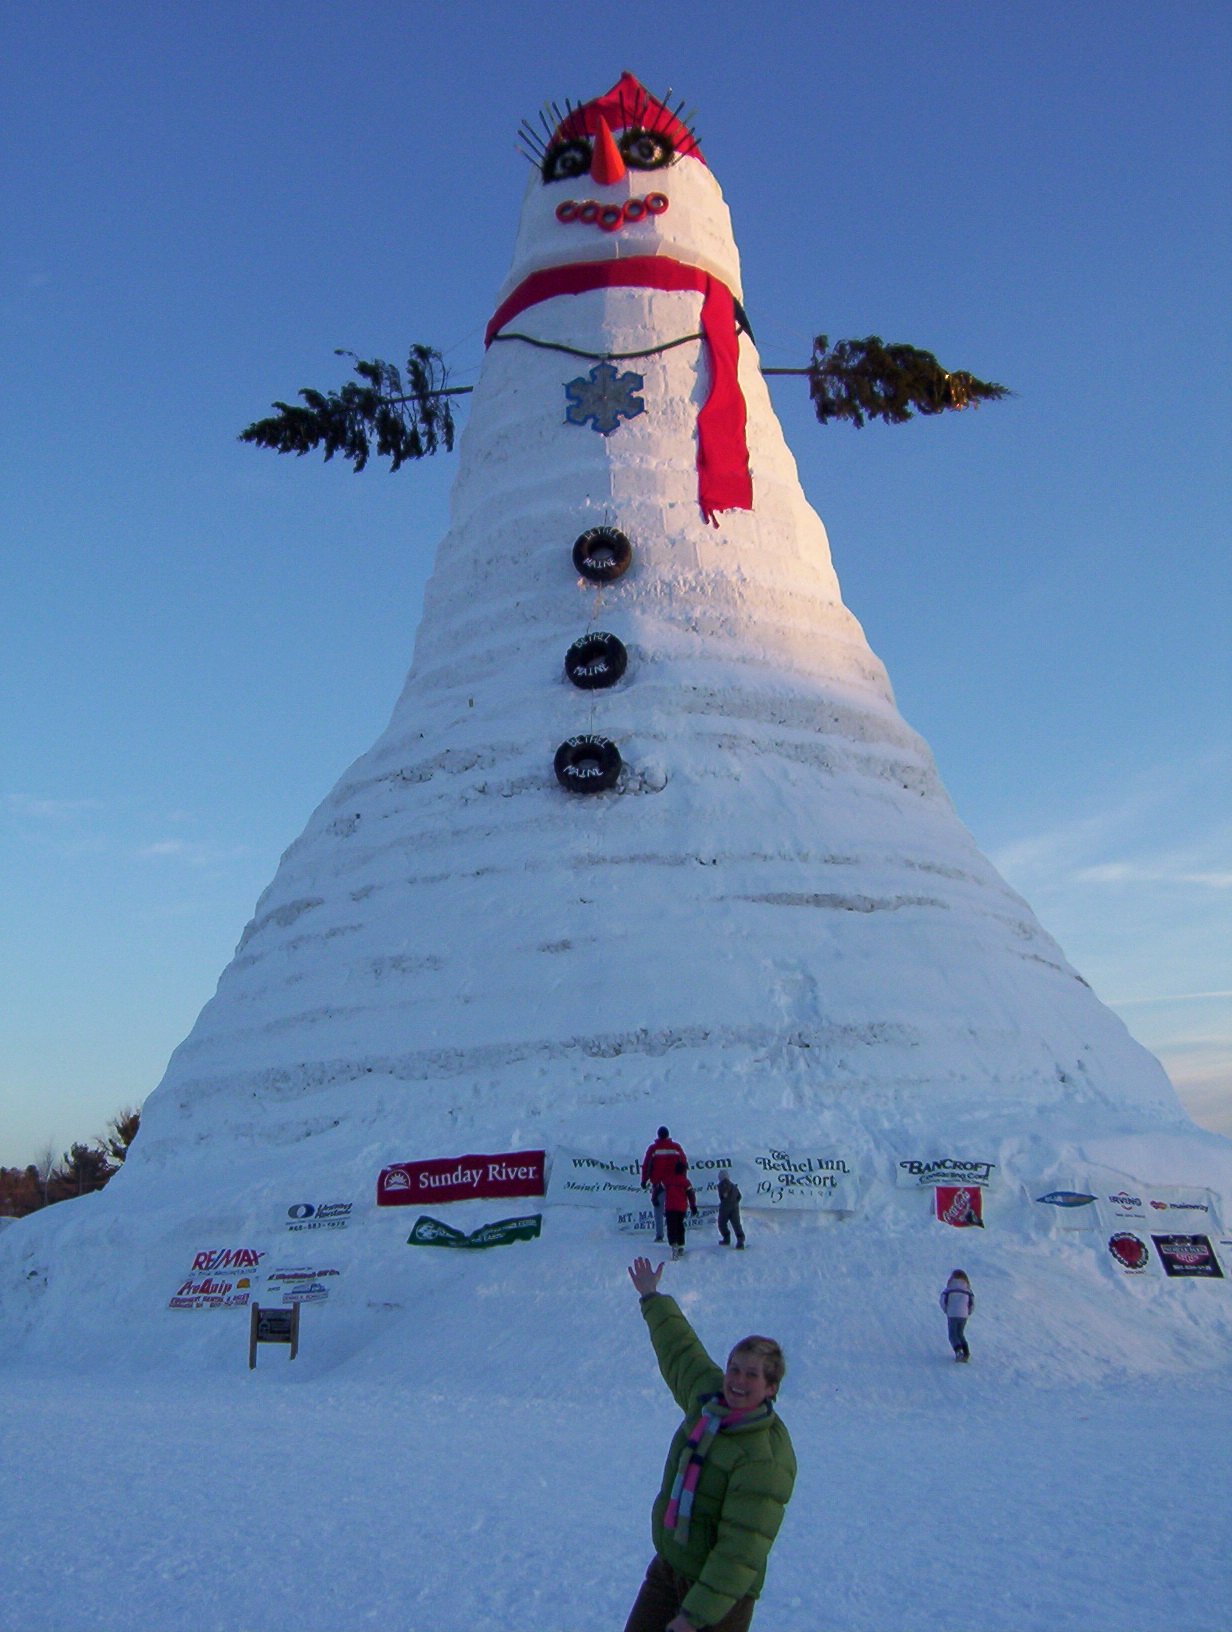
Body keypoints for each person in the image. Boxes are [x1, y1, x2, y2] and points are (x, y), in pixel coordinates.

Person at [624, 1255, 796, 1632]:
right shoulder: (708, 1401)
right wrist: (652, 1297)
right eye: (734, 1368)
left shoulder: (763, 1458)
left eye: (752, 1375)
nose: (737, 1380)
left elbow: (741, 1550)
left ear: (770, 1388)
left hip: (721, 1595)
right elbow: (681, 1352)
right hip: (670, 1567)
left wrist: (693, 1617)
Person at [642, 1126, 687, 1245]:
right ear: (668, 1135)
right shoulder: (676, 1148)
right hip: (675, 1184)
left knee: (658, 1209)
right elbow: (684, 1163)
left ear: (658, 1135)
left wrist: (644, 1179)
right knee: (674, 1209)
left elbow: (646, 1165)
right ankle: (677, 1236)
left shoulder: (653, 1149)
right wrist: (683, 1180)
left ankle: (660, 1235)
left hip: (658, 1184)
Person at [663, 1161, 698, 1260]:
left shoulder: (668, 1180)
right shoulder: (685, 1181)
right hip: (681, 1208)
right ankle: (681, 1245)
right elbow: (691, 1194)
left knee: (671, 1226)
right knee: (680, 1225)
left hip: (670, 1207)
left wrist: (655, 1198)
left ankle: (673, 1244)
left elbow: (659, 1188)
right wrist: (693, 1206)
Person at [939, 1269, 974, 1361]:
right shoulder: (968, 1290)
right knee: (960, 1333)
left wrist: (946, 1310)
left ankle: (958, 1351)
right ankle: (966, 1352)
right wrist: (968, 1312)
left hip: (952, 1314)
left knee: (952, 1334)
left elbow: (942, 1301)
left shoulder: (949, 1289)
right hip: (964, 1315)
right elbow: (972, 1303)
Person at [716, 1170, 745, 1249]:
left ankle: (726, 1238)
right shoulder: (734, 1185)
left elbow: (724, 1193)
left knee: (721, 1224)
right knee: (736, 1224)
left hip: (725, 1207)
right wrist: (735, 1203)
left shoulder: (723, 1184)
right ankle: (740, 1241)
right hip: (735, 1207)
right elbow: (739, 1196)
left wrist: (725, 1199)